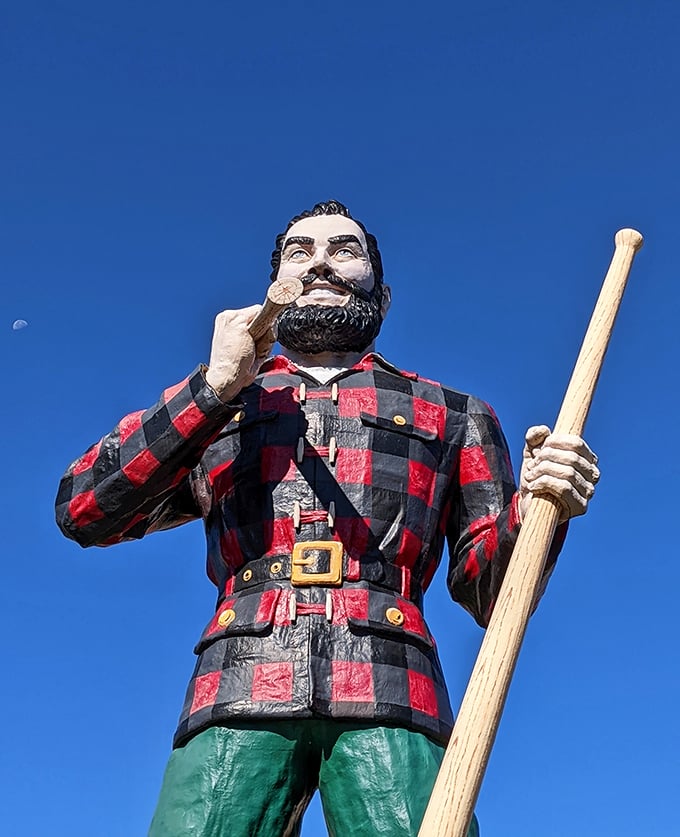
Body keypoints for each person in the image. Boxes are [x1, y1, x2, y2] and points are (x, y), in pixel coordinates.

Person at [56, 200, 599, 837]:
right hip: (240, 678)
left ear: (382, 292)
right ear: (274, 286)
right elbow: (84, 507)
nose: (319, 263)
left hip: (391, 682)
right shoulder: (221, 406)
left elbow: (491, 593)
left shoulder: (454, 413)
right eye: (299, 251)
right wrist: (211, 388)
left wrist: (539, 506)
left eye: (343, 251)